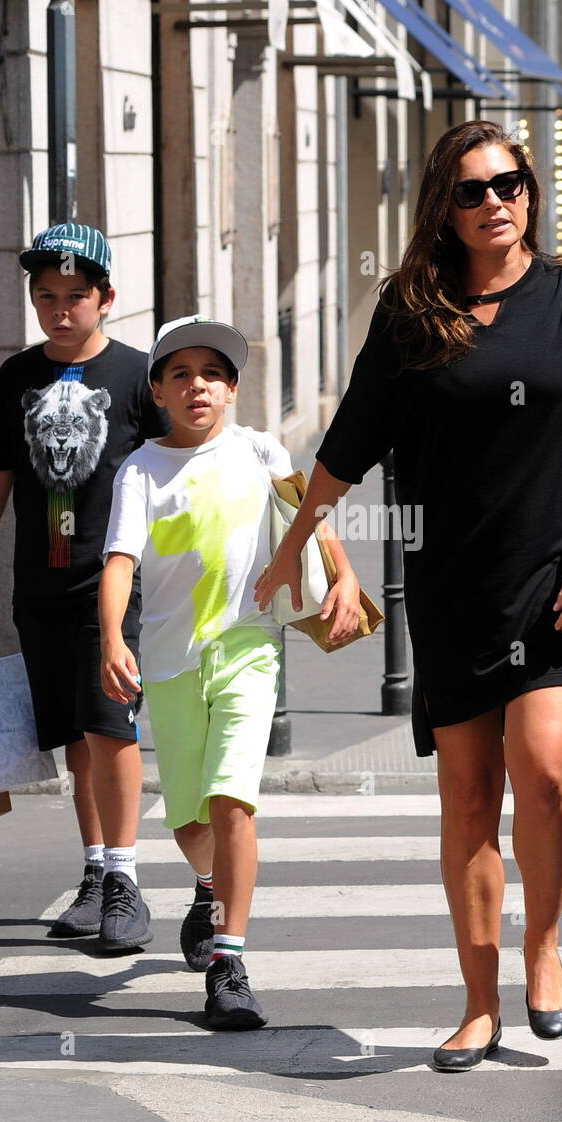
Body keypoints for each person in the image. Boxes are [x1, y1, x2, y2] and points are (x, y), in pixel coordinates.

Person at [255, 120, 562, 1071]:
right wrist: (294, 548)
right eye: (475, 190)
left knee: (548, 765)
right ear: (445, 204)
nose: (497, 203)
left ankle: (545, 946)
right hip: (449, 588)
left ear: (531, 190)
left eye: (510, 184)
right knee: (469, 796)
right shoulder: (411, 315)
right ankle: (479, 1004)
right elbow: (345, 446)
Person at [100, 318, 361, 1028]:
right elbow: (119, 562)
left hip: (248, 647)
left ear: (234, 389)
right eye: (179, 374)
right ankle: (207, 882)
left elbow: (313, 511)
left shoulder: (261, 449)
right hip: (170, 661)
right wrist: (110, 641)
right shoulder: (141, 470)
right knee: (190, 822)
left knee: (231, 802)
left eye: (211, 373)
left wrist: (343, 578)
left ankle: (228, 962)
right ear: (157, 390)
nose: (197, 386)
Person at [0, 224, 169, 950]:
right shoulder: (16, 378)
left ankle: (127, 881)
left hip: (115, 582)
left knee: (111, 722)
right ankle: (97, 869)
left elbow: (175, 468)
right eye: (46, 297)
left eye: (75, 296)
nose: (60, 309)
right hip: (39, 581)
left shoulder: (139, 375)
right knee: (74, 734)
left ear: (106, 297)